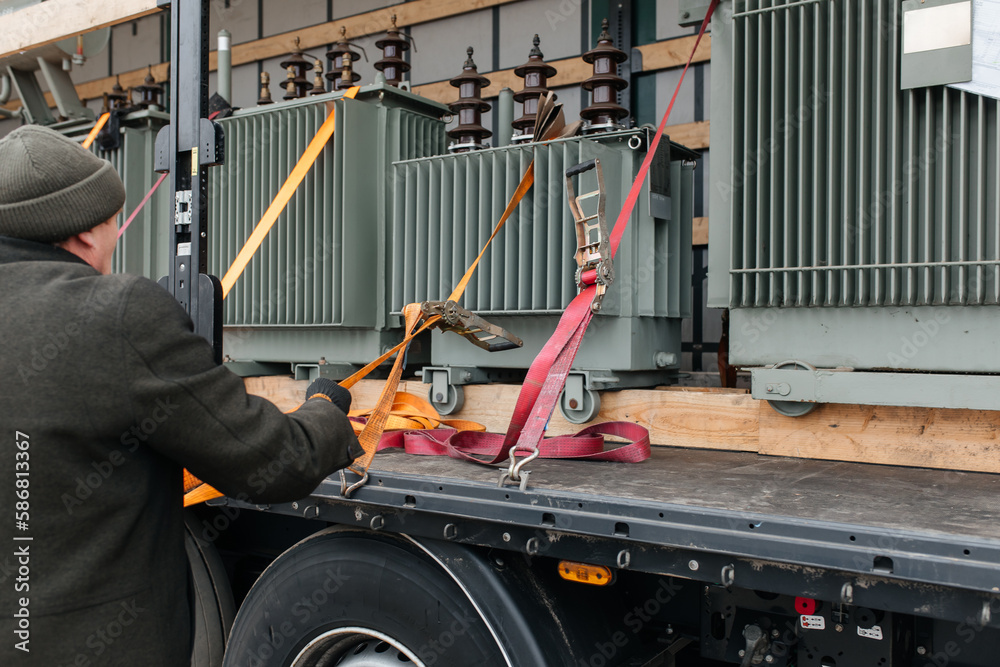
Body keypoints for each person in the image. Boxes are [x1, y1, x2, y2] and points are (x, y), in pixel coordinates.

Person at [0, 125, 362, 666]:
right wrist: (326, 409)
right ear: (83, 236)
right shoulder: (115, 315)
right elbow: (272, 463)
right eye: (113, 224)